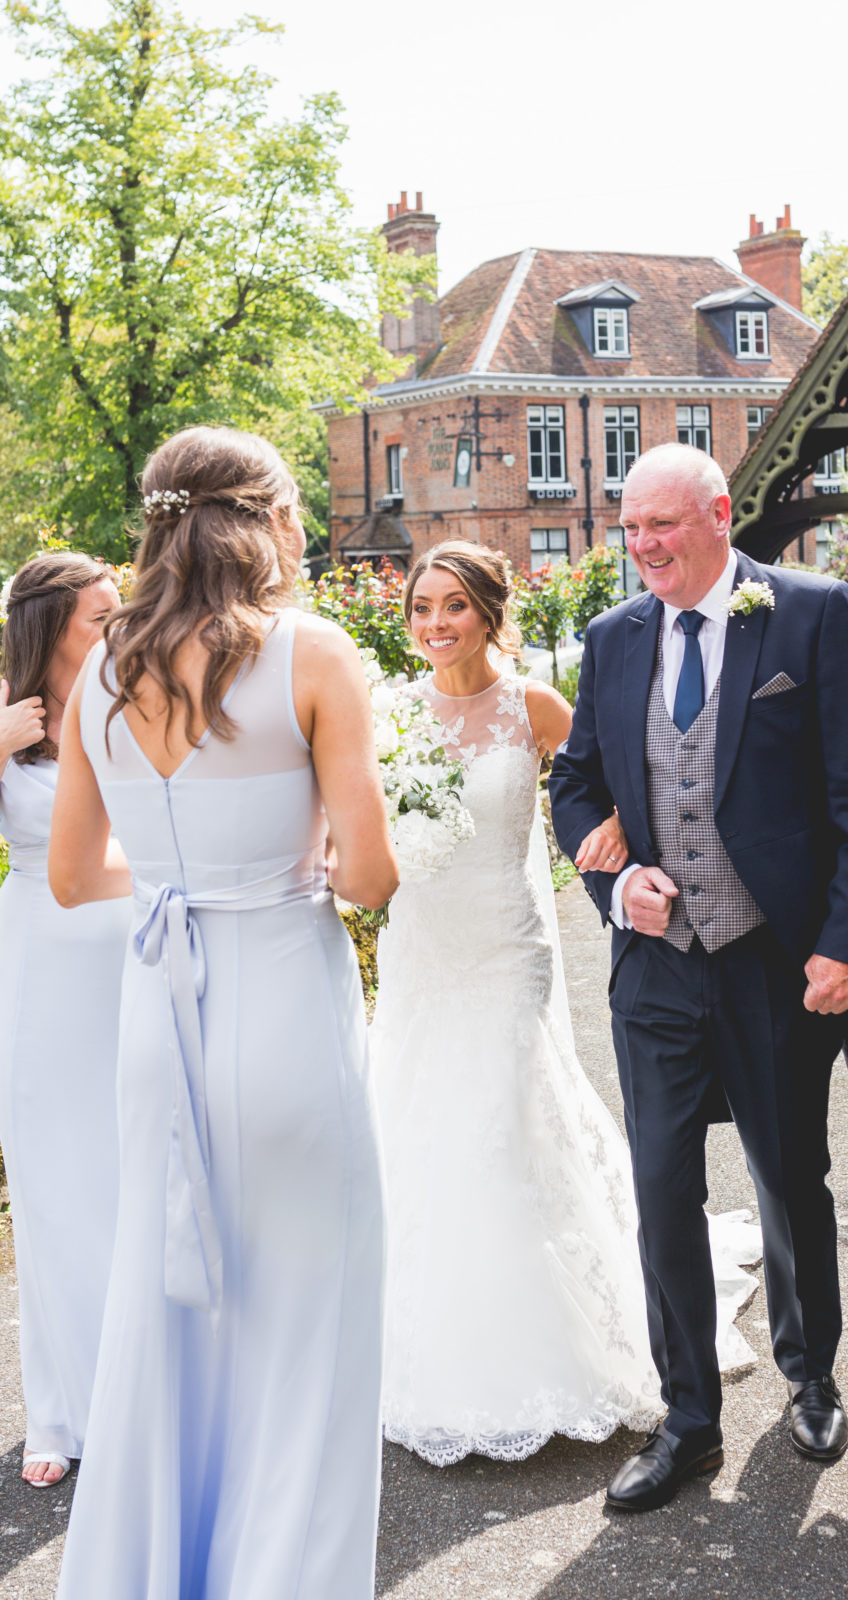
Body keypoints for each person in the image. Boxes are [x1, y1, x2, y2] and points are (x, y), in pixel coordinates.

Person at [49, 425, 397, 1599]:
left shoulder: (99, 670)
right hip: (283, 1010)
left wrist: (177, 887)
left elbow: (71, 872)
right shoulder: (311, 653)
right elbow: (370, 875)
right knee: (307, 1329)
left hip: (160, 1013)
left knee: (170, 1320)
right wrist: (274, 876)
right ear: (263, 521)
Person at [550, 444, 848, 1513]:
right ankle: (689, 1419)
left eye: (660, 524)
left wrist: (847, 944)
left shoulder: (806, 613)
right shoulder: (612, 639)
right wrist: (617, 891)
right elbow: (573, 784)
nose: (642, 546)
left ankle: (809, 1372)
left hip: (773, 959)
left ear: (717, 514)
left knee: (788, 1174)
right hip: (655, 966)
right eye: (628, 528)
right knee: (661, 1188)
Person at [370, 540, 762, 1467]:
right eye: (421, 607)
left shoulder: (531, 705)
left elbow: (610, 775)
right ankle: (424, 1322)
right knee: (418, 1114)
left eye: (452, 607)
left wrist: (619, 822)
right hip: (423, 940)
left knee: (504, 1117)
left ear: (489, 613)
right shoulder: (387, 710)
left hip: (507, 942)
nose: (432, 625)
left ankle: (542, 1336)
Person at [0, 552, 126, 1487]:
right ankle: (60, 1406)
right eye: (98, 617)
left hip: (141, 958)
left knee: (135, 1173)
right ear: (48, 626)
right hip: (45, 967)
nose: (116, 630)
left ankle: (139, 1394)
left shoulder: (137, 699)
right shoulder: (7, 711)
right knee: (55, 1177)